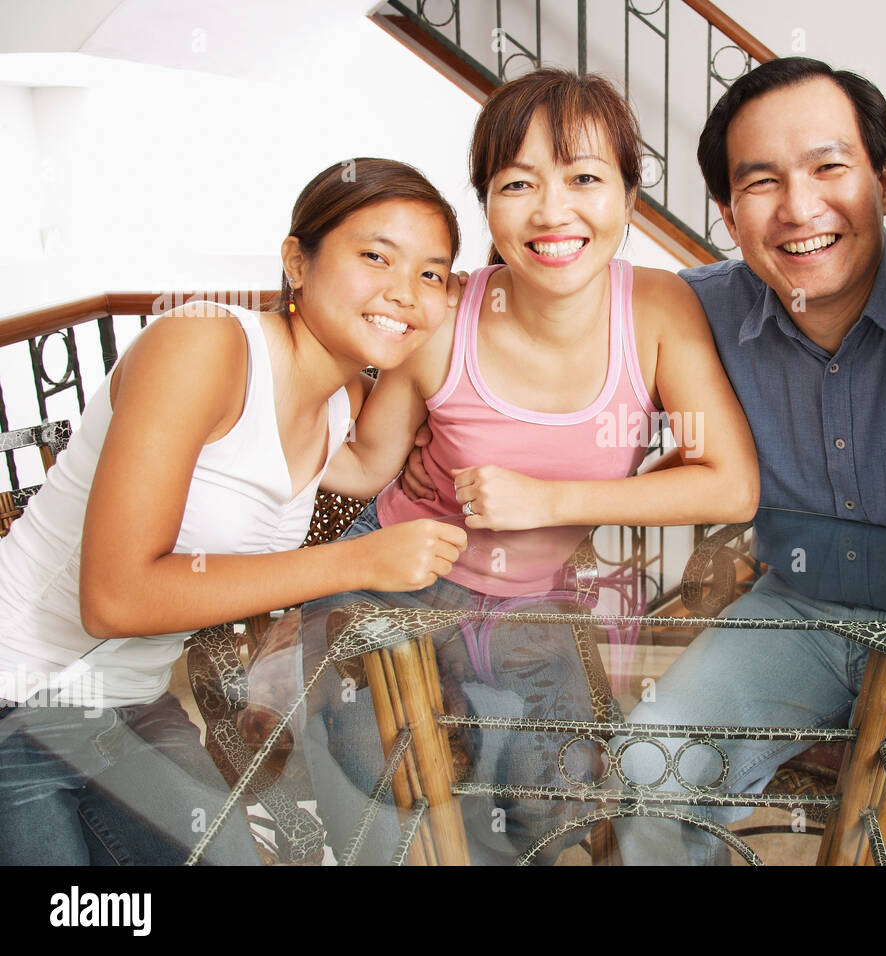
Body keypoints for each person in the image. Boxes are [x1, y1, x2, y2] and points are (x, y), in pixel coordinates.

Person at [302, 68, 759, 865]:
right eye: (518, 183)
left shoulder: (657, 309)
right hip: (394, 574)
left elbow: (731, 481)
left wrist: (546, 499)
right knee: (387, 784)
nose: (553, 212)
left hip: (535, 600)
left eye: (585, 178)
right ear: (485, 203)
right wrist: (255, 408)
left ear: (628, 199)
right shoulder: (445, 313)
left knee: (557, 803)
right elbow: (365, 464)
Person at [595, 56, 886, 865]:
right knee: (649, 768)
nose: (800, 210)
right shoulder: (697, 312)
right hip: (794, 609)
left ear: (885, 176)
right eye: (761, 183)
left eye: (829, 167)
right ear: (730, 214)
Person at [0, 157, 469, 865]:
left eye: (431, 274)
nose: (404, 290)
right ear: (296, 262)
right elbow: (114, 597)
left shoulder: (339, 407)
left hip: (125, 704)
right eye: (376, 257)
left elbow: (378, 461)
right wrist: (348, 560)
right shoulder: (204, 345)